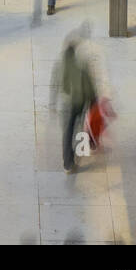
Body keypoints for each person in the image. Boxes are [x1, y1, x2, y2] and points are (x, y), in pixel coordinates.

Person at [52, 27, 97, 173]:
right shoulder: (81, 65)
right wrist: (93, 100)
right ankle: (75, 151)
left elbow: (55, 84)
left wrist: (52, 102)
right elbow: (88, 83)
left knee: (67, 131)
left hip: (66, 103)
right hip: (79, 102)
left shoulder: (59, 64)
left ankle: (68, 162)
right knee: (78, 125)